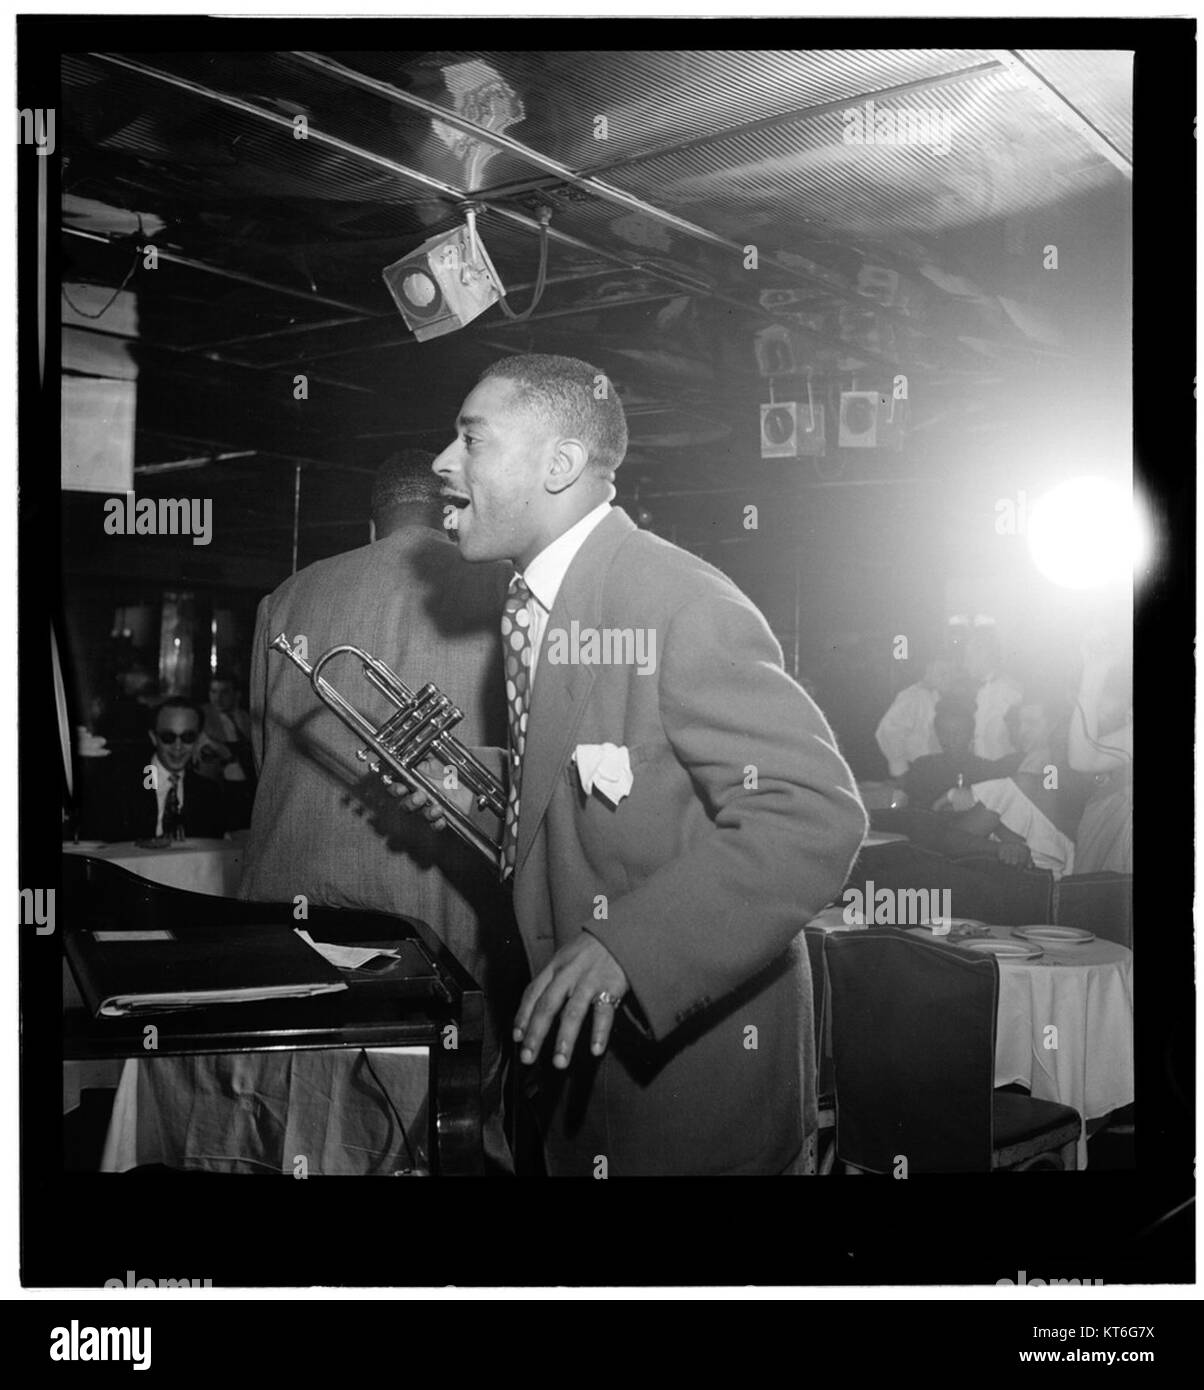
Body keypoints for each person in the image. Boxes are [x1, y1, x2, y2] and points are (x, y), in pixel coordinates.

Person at [413, 353, 866, 1176]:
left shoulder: (677, 601)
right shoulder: (546, 599)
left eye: (471, 440)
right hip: (593, 1077)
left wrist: (630, 949)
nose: (443, 463)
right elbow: (603, 776)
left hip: (691, 1096)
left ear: (560, 465)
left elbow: (812, 814)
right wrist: (461, 780)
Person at [235, 448, 524, 1173]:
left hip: (293, 913)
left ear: (372, 522)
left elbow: (261, 748)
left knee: (307, 1123)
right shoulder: (502, 592)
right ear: (455, 510)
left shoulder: (289, 595)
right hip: (438, 925)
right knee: (436, 1139)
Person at [77, 696, 229, 842]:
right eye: (168, 737)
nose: (178, 747)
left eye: (188, 737)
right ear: (153, 737)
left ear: (198, 739)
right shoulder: (121, 785)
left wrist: (229, 757)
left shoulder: (208, 792)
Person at [1068, 642, 1132, 874]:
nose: (1107, 720)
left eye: (1111, 715)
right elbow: (1053, 780)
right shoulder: (1057, 742)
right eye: (1102, 714)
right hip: (1097, 813)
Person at [900, 697, 1019, 811]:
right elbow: (913, 809)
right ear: (937, 734)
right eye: (944, 732)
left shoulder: (987, 770)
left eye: (959, 732)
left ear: (970, 734)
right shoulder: (924, 766)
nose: (951, 738)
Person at [874, 654, 958, 778]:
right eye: (943, 673)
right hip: (915, 770)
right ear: (928, 670)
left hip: (933, 770)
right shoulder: (911, 697)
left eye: (951, 674)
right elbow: (887, 733)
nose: (948, 678)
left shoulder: (935, 696)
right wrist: (901, 770)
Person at [963, 626, 1022, 761]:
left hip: (1003, 773)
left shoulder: (1012, 691)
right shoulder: (970, 691)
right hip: (977, 772)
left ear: (985, 655)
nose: (965, 664)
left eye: (969, 657)